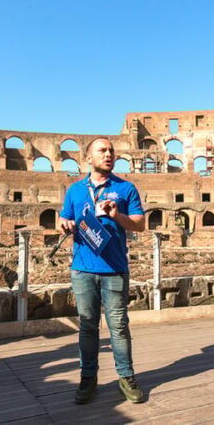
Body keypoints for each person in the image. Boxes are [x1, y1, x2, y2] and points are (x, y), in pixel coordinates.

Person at [58, 137, 146, 405]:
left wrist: (116, 216)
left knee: (118, 326)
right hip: (83, 269)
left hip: (115, 268)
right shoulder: (74, 190)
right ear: (88, 158)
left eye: (111, 151)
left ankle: (126, 376)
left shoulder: (126, 188)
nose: (109, 154)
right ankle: (88, 377)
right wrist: (63, 224)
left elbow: (139, 225)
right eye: (102, 151)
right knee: (87, 326)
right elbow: (63, 218)